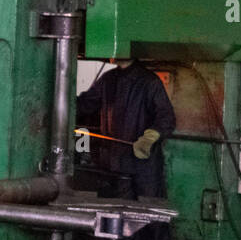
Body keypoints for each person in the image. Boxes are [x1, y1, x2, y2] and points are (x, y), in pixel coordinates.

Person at [75, 58, 176, 198]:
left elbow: (166, 117)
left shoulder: (149, 82)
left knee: (145, 214)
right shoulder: (108, 79)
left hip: (143, 170)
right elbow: (85, 105)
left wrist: (150, 138)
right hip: (113, 167)